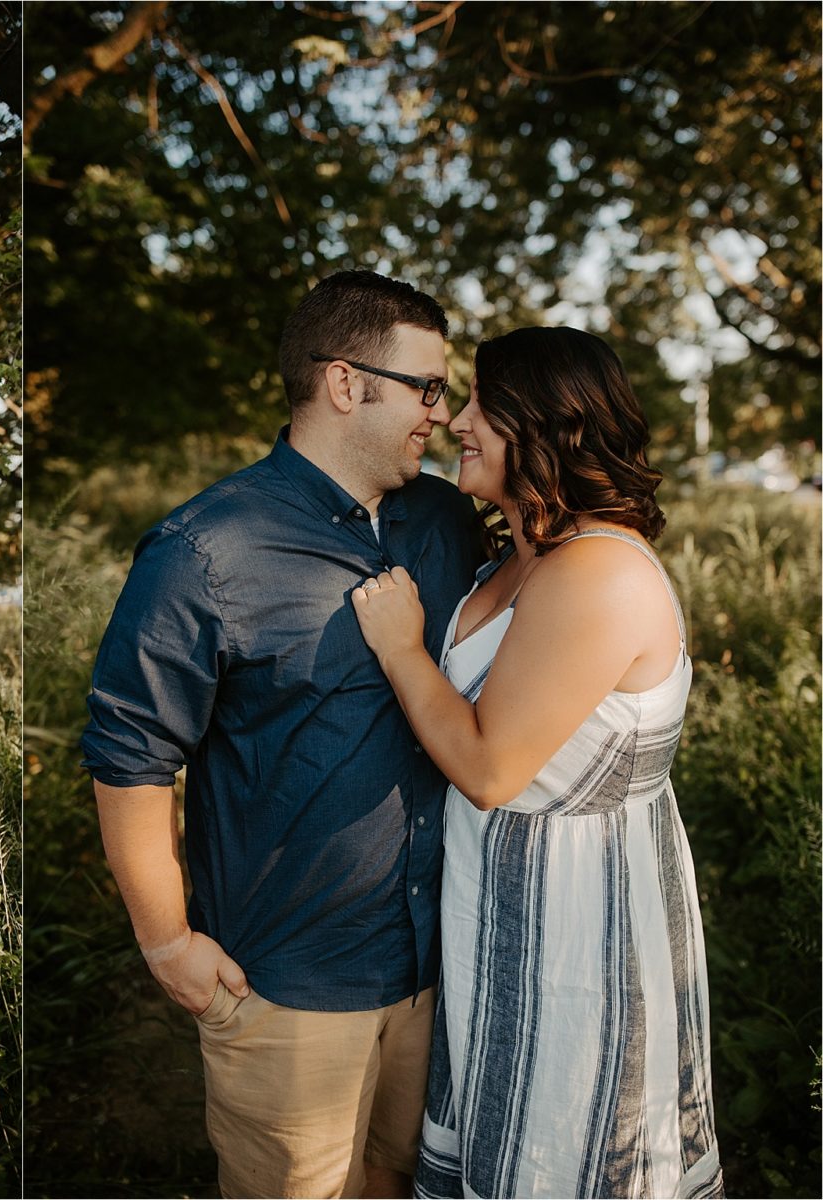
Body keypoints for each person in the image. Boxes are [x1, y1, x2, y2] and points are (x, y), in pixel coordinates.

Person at [83, 270, 486, 1198]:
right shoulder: (205, 552)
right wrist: (166, 942)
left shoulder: (444, 519)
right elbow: (130, 760)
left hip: (436, 962)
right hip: (289, 979)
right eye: (426, 387)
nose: (441, 411)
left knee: (396, 1182)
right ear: (347, 383)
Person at [351, 327, 723, 1198]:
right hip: (498, 919)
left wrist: (403, 650)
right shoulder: (524, 560)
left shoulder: (598, 571)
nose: (457, 422)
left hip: (584, 937)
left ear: (548, 423)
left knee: (566, 1158)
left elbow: (488, 767)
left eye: (482, 403)